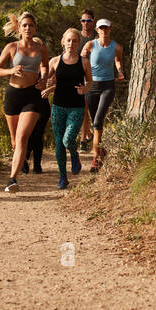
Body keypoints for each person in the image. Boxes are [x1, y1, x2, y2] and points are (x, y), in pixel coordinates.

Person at [0, 11, 50, 192]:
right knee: (15, 142)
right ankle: (20, 160)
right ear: (19, 28)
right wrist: (11, 71)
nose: (28, 28)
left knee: (22, 137)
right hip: (13, 95)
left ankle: (12, 180)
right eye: (24, 25)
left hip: (32, 96)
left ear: (35, 28)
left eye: (31, 25)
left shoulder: (41, 49)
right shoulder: (11, 47)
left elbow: (45, 65)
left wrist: (44, 78)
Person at [42, 28, 90, 189]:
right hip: (58, 107)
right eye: (68, 40)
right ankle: (63, 177)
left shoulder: (83, 62)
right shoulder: (55, 61)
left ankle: (75, 155)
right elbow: (47, 80)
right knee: (59, 143)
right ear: (63, 42)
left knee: (67, 139)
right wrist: (47, 87)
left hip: (76, 107)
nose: (71, 43)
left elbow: (90, 82)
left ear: (78, 43)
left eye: (74, 41)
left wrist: (85, 89)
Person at [79, 18, 124, 173]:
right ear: (97, 30)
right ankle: (101, 149)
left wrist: (120, 71)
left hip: (108, 85)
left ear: (110, 29)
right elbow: (82, 60)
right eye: (101, 28)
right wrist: (83, 56)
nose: (104, 30)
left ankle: (95, 159)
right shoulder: (91, 44)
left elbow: (118, 60)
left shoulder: (116, 47)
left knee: (98, 121)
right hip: (92, 85)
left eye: (106, 28)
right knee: (95, 122)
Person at [75, 9, 97, 151]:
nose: (85, 23)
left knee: (93, 108)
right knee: (83, 108)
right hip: (80, 75)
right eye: (83, 20)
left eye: (88, 20)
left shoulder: (97, 37)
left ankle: (91, 135)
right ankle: (83, 139)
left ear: (93, 22)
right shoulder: (77, 37)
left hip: (95, 75)